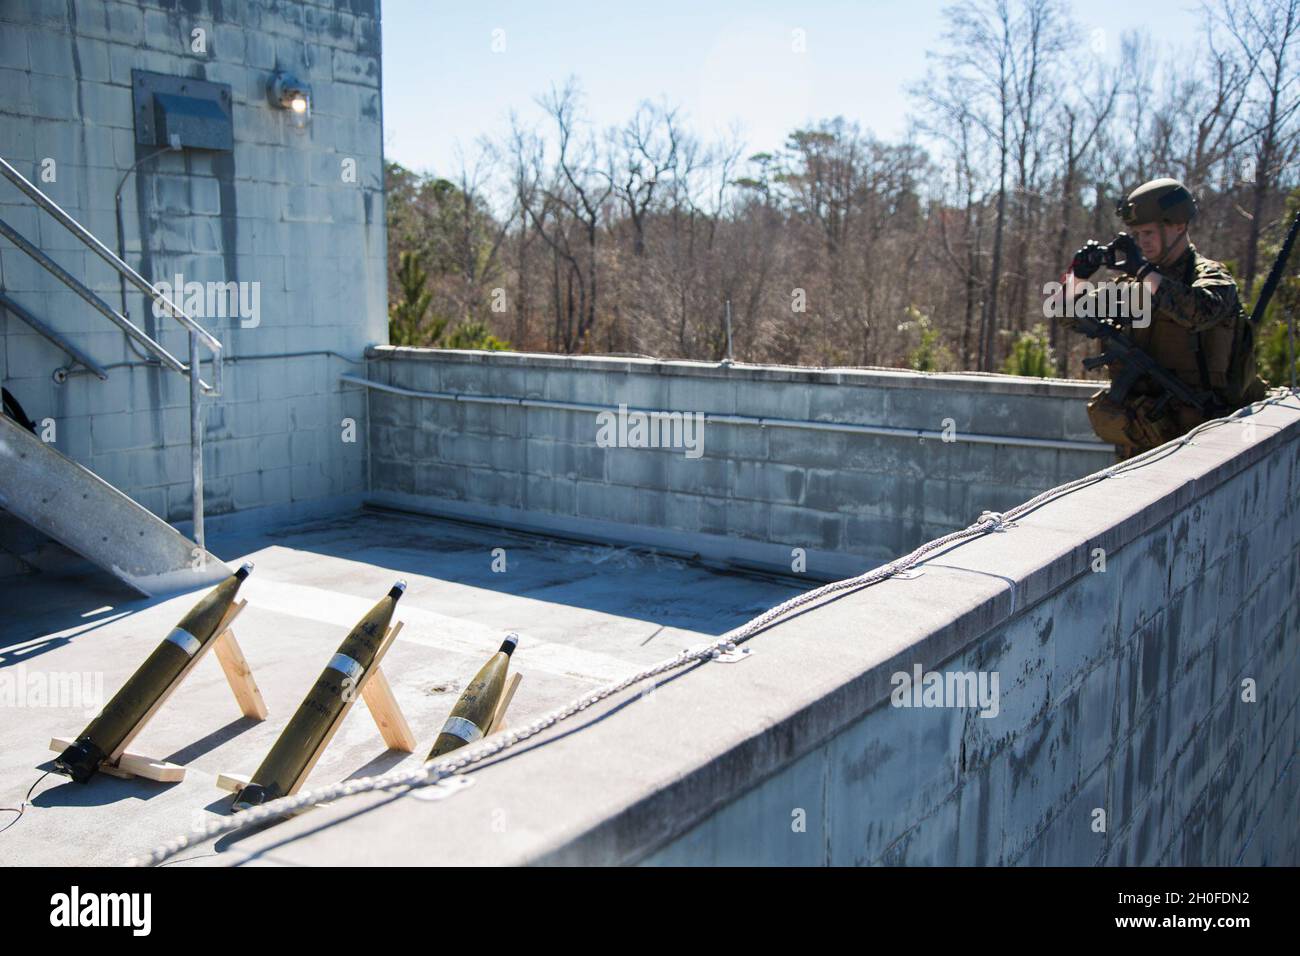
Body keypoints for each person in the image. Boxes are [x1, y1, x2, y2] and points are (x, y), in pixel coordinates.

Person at [1067, 178, 1267, 460]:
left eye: (1148, 232)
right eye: (1136, 235)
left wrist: (1144, 272)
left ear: (1179, 225)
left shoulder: (1210, 276)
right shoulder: (1133, 286)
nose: (1142, 242)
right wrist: (1077, 276)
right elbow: (1067, 314)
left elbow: (1201, 311)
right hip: (1139, 442)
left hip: (1200, 444)